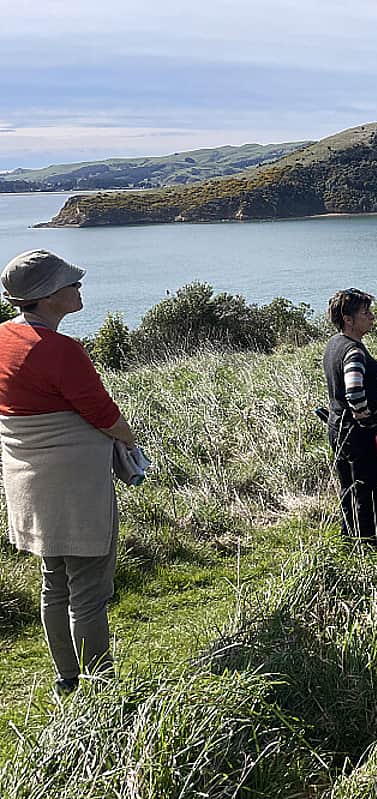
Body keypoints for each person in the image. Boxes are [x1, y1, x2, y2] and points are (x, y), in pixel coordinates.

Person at [0, 250, 138, 695]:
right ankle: (102, 690)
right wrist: (129, 440)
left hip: (30, 485)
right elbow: (105, 414)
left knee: (53, 583)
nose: (78, 286)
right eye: (70, 282)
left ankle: (68, 680)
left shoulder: (3, 338)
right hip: (77, 489)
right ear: (46, 296)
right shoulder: (61, 350)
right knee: (89, 592)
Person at [322, 288, 377, 547]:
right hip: (360, 434)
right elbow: (354, 390)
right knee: (369, 491)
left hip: (338, 427)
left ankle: (349, 544)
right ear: (348, 319)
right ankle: (370, 548)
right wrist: (367, 419)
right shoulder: (354, 351)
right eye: (365, 313)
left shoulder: (333, 345)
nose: (371, 317)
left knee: (349, 487)